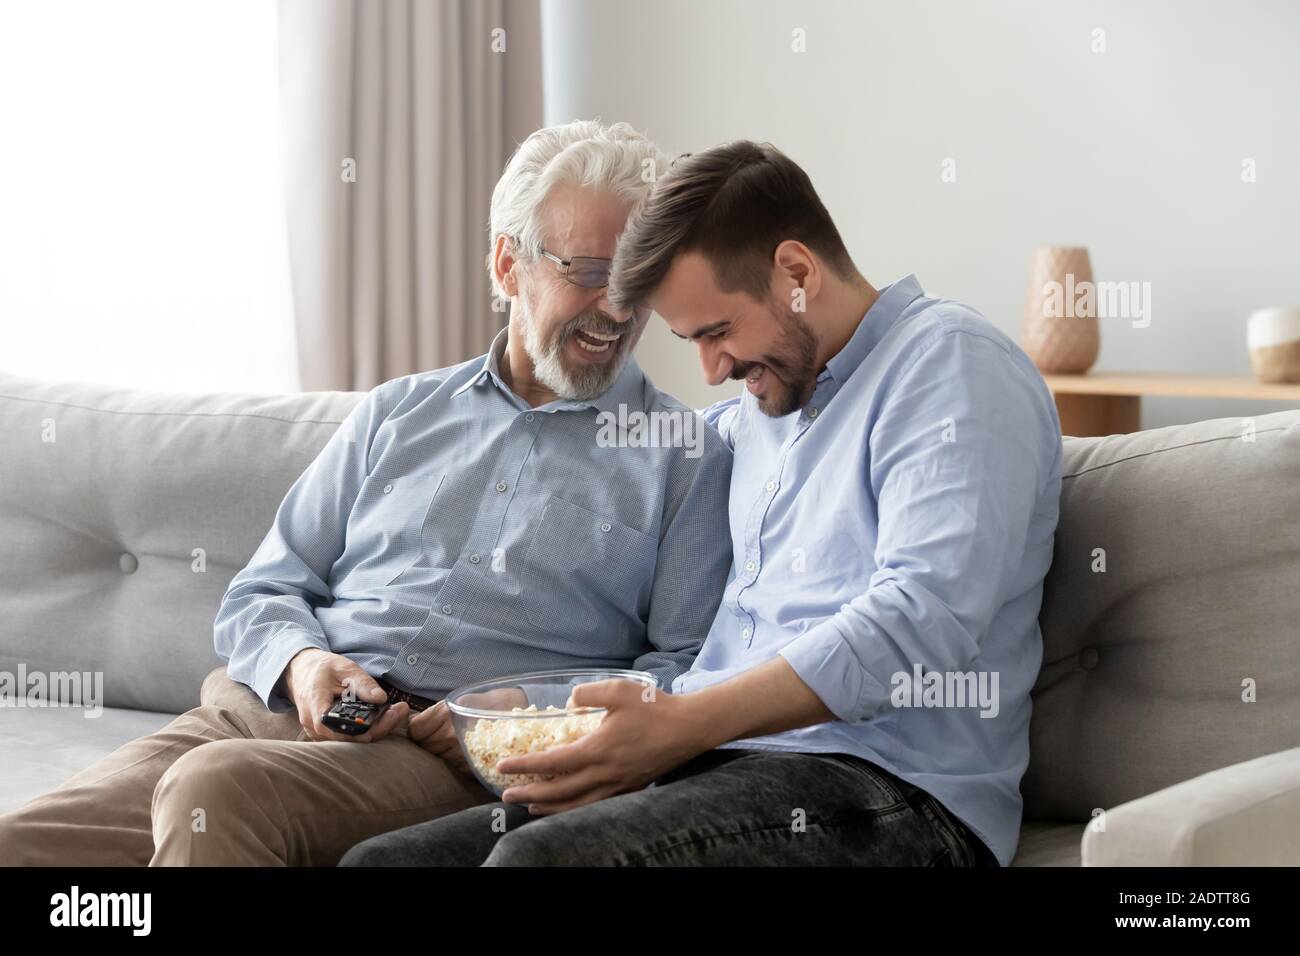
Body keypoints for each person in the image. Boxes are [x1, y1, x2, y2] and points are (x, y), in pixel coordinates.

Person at [0, 121, 731, 867]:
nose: (616, 307)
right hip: (257, 712)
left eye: (639, 277)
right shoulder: (396, 413)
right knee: (18, 847)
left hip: (438, 763)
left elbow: (688, 675)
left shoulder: (685, 458)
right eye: (588, 270)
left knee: (216, 794)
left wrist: (523, 710)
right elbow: (264, 590)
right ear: (509, 266)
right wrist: (306, 665)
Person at [341, 140, 1063, 868]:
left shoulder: (948, 364)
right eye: (690, 341)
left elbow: (921, 620)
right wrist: (536, 704)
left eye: (717, 332)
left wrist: (680, 723)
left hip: (892, 790)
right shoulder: (744, 424)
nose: (713, 369)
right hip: (716, 767)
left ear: (796, 273)